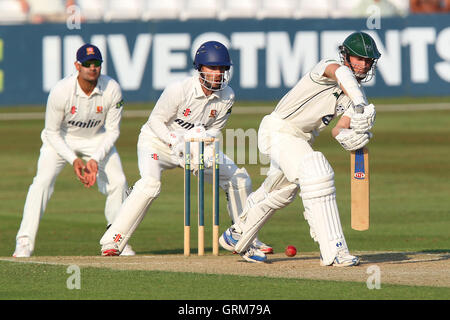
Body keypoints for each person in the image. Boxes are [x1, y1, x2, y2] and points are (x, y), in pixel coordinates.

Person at [219, 32, 381, 265]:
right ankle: (335, 251)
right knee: (317, 171)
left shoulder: (357, 98)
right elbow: (341, 74)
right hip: (278, 130)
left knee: (281, 191)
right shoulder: (327, 67)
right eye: (359, 58)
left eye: (368, 60)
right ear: (345, 55)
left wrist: (352, 136)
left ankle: (236, 233)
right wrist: (359, 104)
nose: (364, 64)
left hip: (299, 141)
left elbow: (339, 130)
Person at [99, 41, 272, 258]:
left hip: (193, 149)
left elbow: (214, 131)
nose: (218, 74)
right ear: (200, 68)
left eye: (222, 69)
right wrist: (174, 141)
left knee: (238, 179)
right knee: (150, 185)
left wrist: (202, 146)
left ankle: (246, 238)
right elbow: (155, 121)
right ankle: (112, 241)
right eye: (213, 68)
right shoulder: (179, 90)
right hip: (157, 143)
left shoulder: (227, 96)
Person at [13, 43, 135, 257]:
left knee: (119, 181)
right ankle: (24, 243)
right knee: (41, 183)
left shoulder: (112, 89)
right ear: (77, 66)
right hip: (61, 139)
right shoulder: (61, 91)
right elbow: (51, 132)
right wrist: (74, 160)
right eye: (87, 64)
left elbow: (113, 131)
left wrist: (95, 159)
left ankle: (115, 240)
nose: (93, 68)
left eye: (97, 63)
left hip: (96, 139)